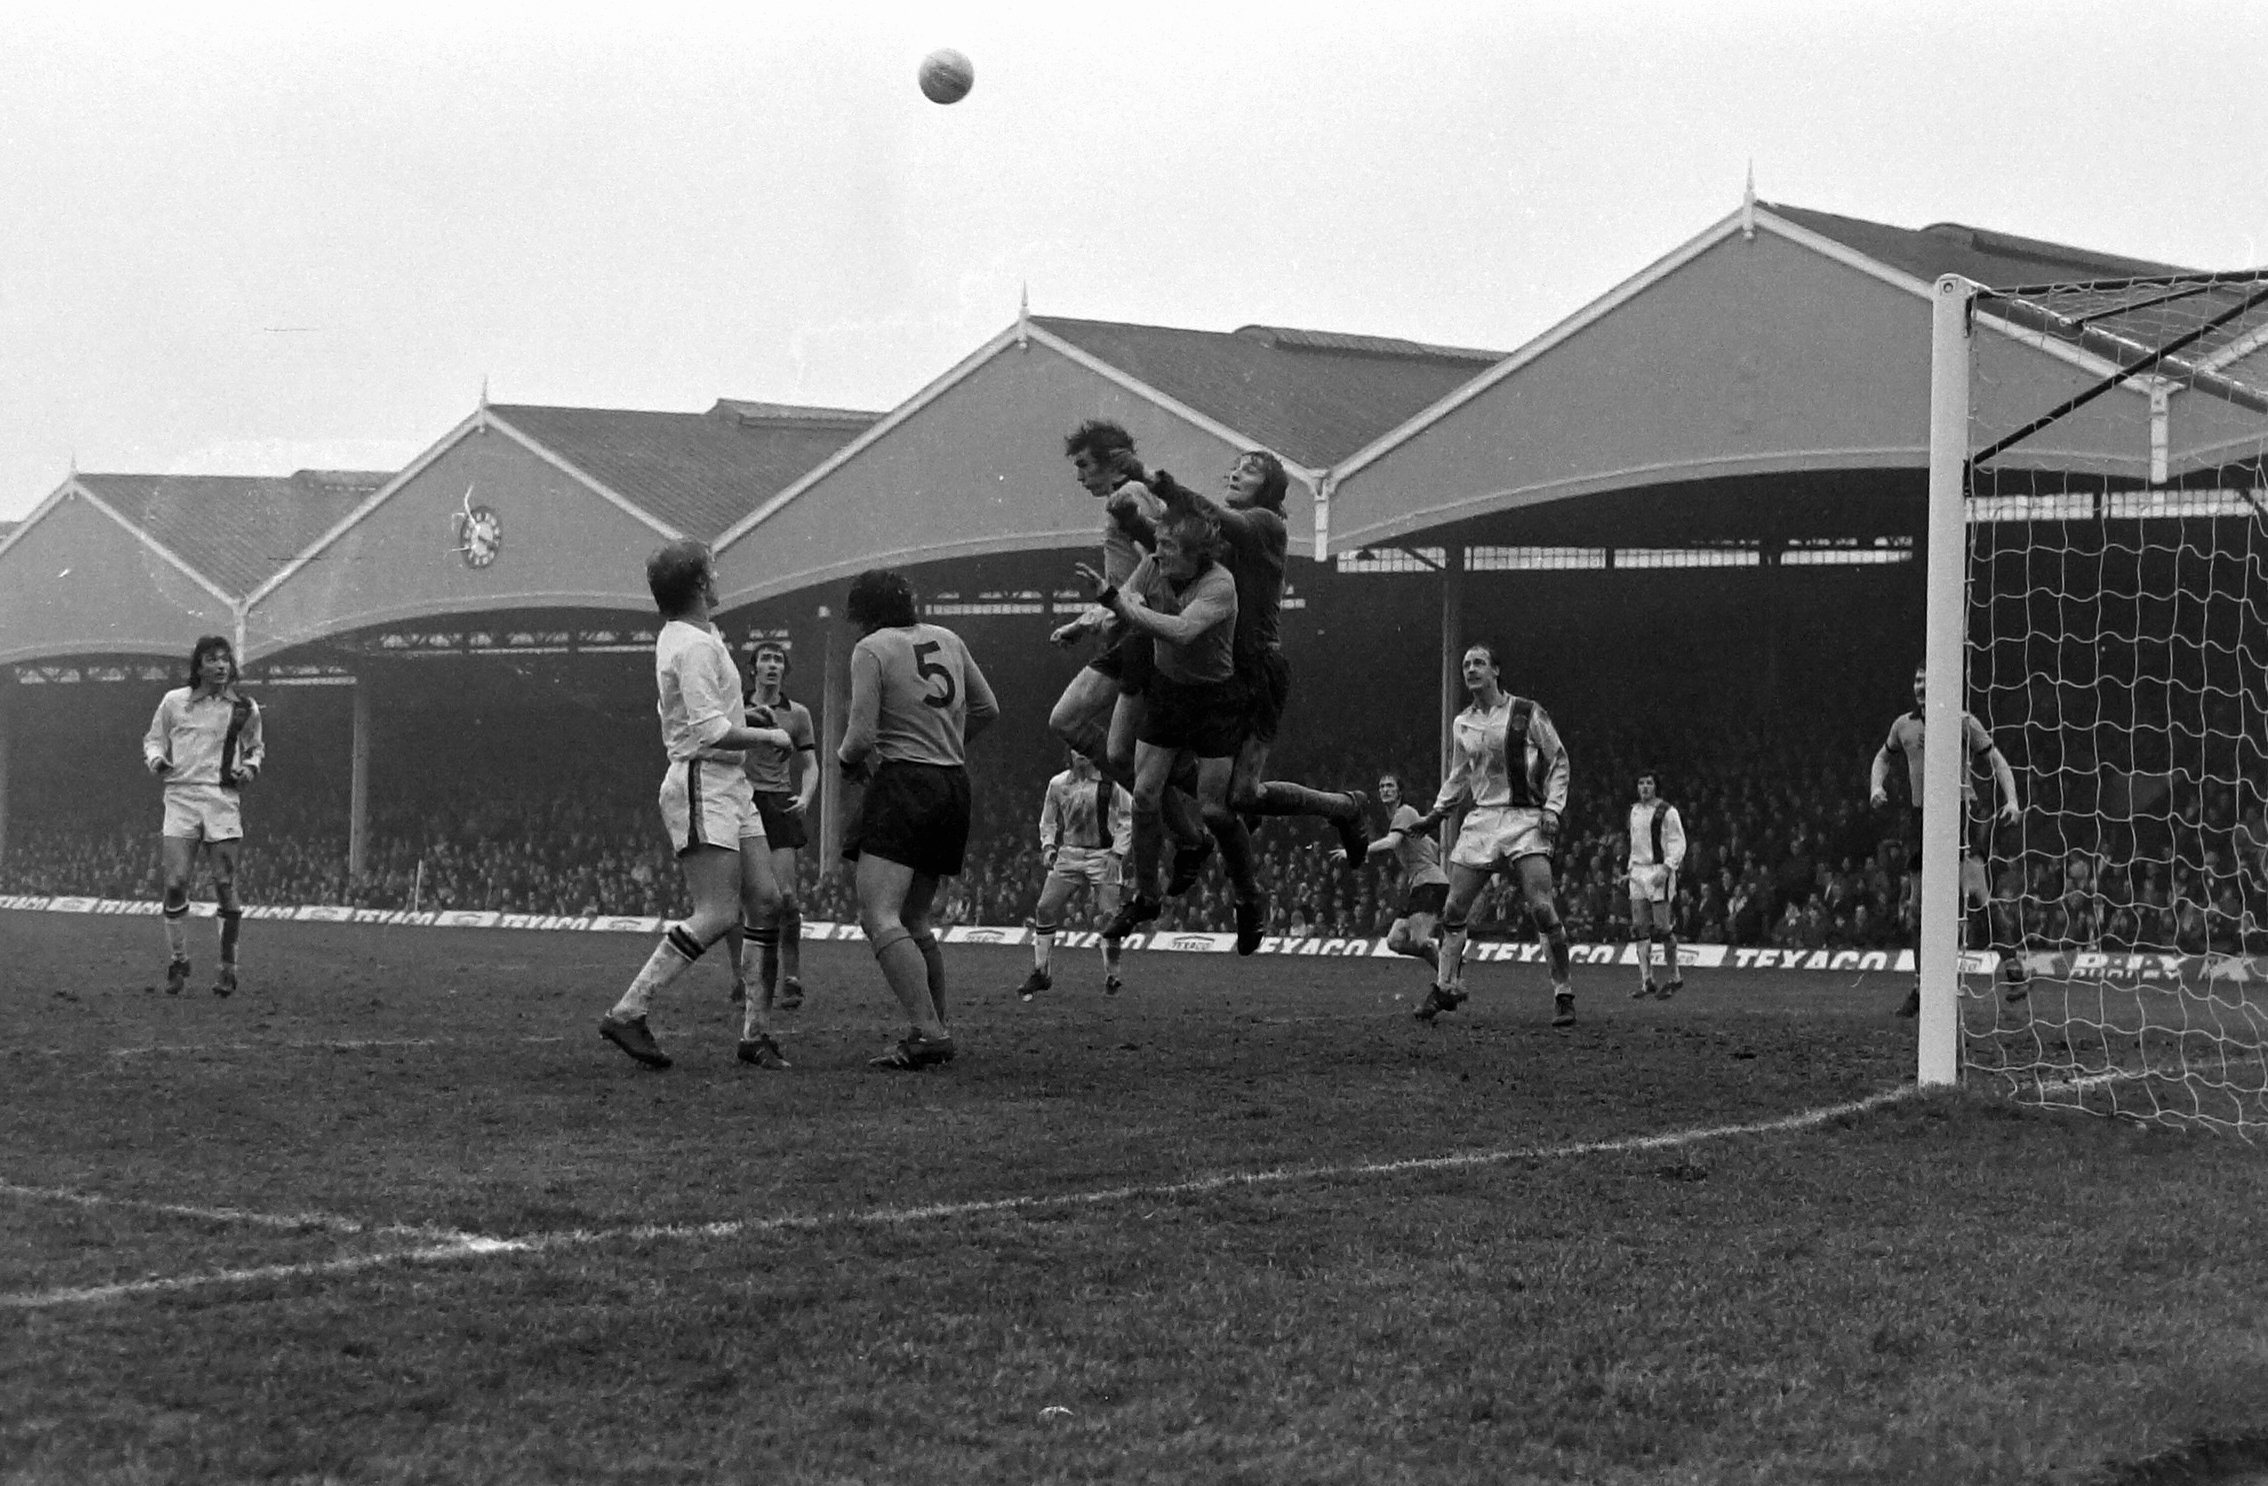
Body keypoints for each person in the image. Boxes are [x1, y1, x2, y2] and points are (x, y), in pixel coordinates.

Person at [598, 540, 792, 1071]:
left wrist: (746, 722)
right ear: (701, 584)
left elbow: (707, 713)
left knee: (767, 901)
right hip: (704, 780)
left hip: (729, 783)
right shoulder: (694, 646)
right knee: (719, 912)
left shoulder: (691, 636)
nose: (718, 577)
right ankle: (629, 1010)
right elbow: (708, 731)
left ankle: (755, 1034)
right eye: (713, 570)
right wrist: (769, 737)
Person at [1147, 455, 1373, 879]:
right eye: (1234, 467)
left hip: (1257, 670)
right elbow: (1175, 545)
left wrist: (1164, 486)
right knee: (1173, 769)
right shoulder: (1219, 534)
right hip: (1218, 669)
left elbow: (1214, 517)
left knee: (1243, 796)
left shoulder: (1266, 524)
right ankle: (1212, 833)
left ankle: (1345, 807)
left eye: (1249, 470)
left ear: (1268, 489)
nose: (1235, 473)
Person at [1081, 508, 1269, 953]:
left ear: (1195, 553)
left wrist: (1120, 604)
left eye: (1167, 546)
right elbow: (1130, 597)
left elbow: (1181, 632)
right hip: (1169, 693)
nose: (1157, 552)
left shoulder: (1219, 585)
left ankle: (1249, 897)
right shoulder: (1153, 566)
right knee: (1144, 795)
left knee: (1215, 810)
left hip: (1214, 699)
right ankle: (1145, 897)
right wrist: (1111, 609)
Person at [838, 568, 999, 1070]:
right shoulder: (948, 638)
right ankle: (935, 1026)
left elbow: (861, 738)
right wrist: (944, 742)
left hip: (904, 783)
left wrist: (846, 762)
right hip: (952, 784)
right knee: (914, 917)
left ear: (863, 613)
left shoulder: (871, 649)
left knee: (879, 915)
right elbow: (988, 708)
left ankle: (929, 1033)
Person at [1405, 641, 1578, 1027]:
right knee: (1453, 909)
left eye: (1479, 662)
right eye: (1466, 664)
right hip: (1483, 820)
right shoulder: (1462, 723)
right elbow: (1459, 775)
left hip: (1525, 818)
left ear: (1495, 671)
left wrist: (1553, 808)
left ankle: (1563, 992)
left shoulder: (1526, 712)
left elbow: (1558, 759)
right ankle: (1445, 986)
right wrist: (1436, 814)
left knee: (1541, 907)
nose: (1470, 669)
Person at [1870, 661, 2024, 1017]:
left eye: (1926, 680)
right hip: (1921, 818)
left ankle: (2014, 969)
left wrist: (2012, 800)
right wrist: (1876, 786)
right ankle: (1921, 987)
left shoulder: (1963, 721)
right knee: (1917, 907)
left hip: (1959, 814)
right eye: (1917, 680)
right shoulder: (1903, 725)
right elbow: (1882, 757)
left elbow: (1997, 760)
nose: (1920, 687)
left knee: (1976, 894)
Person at [141, 635, 264, 997]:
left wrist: (249, 769)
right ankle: (179, 960)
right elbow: (153, 739)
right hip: (180, 797)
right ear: (199, 666)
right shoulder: (173, 702)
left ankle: (228, 968)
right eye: (212, 659)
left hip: (221, 799)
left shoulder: (244, 707)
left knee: (225, 884)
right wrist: (157, 760)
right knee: (176, 882)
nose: (221, 665)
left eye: (225, 659)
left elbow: (255, 747)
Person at [725, 641, 818, 1012]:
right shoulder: (736, 708)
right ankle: (740, 977)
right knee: (736, 902)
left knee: (786, 898)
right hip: (742, 800)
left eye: (778, 660)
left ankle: (791, 978)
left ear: (784, 670)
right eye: (765, 659)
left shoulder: (798, 715)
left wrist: (806, 797)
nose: (772, 665)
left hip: (779, 803)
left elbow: (810, 765)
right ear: (753, 669)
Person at [1018, 749, 1134, 999]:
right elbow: (1048, 820)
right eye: (1075, 748)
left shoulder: (1110, 784)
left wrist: (1118, 852)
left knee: (1110, 917)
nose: (1080, 753)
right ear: (1068, 753)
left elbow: (1127, 816)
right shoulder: (1058, 784)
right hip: (1069, 853)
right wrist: (1049, 846)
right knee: (1044, 908)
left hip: (1103, 855)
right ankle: (1041, 971)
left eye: (1084, 749)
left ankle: (1113, 975)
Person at [1329, 771, 1448, 976]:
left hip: (1430, 883)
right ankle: (1448, 969)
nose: (1385, 789)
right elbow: (1431, 846)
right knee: (1395, 941)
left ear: (1400, 792)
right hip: (1420, 884)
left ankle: (1448, 977)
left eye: (1390, 786)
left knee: (1420, 941)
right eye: (1382, 786)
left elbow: (1392, 842)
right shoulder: (1400, 819)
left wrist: (1356, 851)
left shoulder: (1405, 812)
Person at [1625, 769, 1688, 1000]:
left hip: (1658, 871)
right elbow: (1635, 843)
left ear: (1655, 786)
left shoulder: (1667, 812)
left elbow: (1678, 842)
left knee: (1662, 927)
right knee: (1639, 927)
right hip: (1638, 872)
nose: (1644, 787)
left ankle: (1675, 977)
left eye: (1649, 783)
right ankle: (1647, 980)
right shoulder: (1634, 811)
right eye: (1641, 783)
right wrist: (1630, 869)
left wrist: (1668, 867)